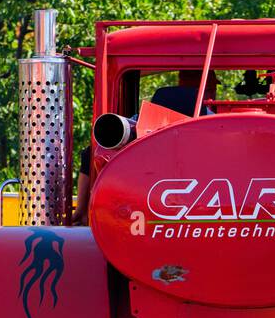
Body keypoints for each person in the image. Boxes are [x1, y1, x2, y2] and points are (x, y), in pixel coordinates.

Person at [72, 70, 216, 224]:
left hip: (142, 203)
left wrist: (81, 210)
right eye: (212, 89)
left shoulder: (139, 121)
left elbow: (93, 152)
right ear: (207, 89)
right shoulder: (215, 123)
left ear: (181, 82)